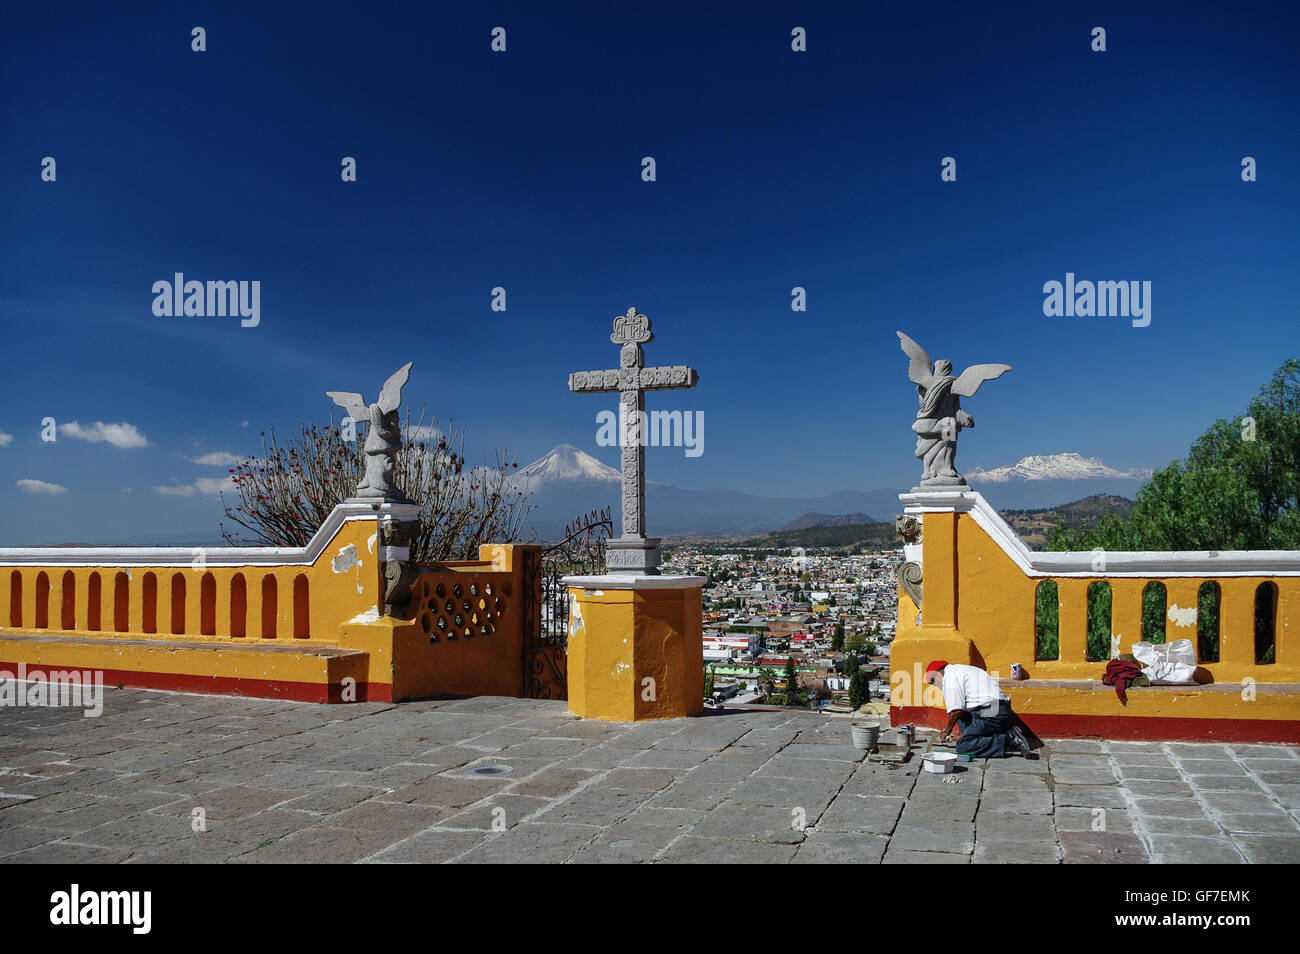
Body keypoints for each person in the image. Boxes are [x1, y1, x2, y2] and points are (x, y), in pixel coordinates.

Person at [924, 660, 1031, 759]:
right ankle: (975, 737)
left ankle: (1010, 739)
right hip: (998, 710)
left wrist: (946, 731)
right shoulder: (961, 670)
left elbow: (955, 711)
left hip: (992, 712)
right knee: (963, 715)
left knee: (963, 747)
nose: (934, 685)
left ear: (940, 673)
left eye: (933, 680)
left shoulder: (950, 678)